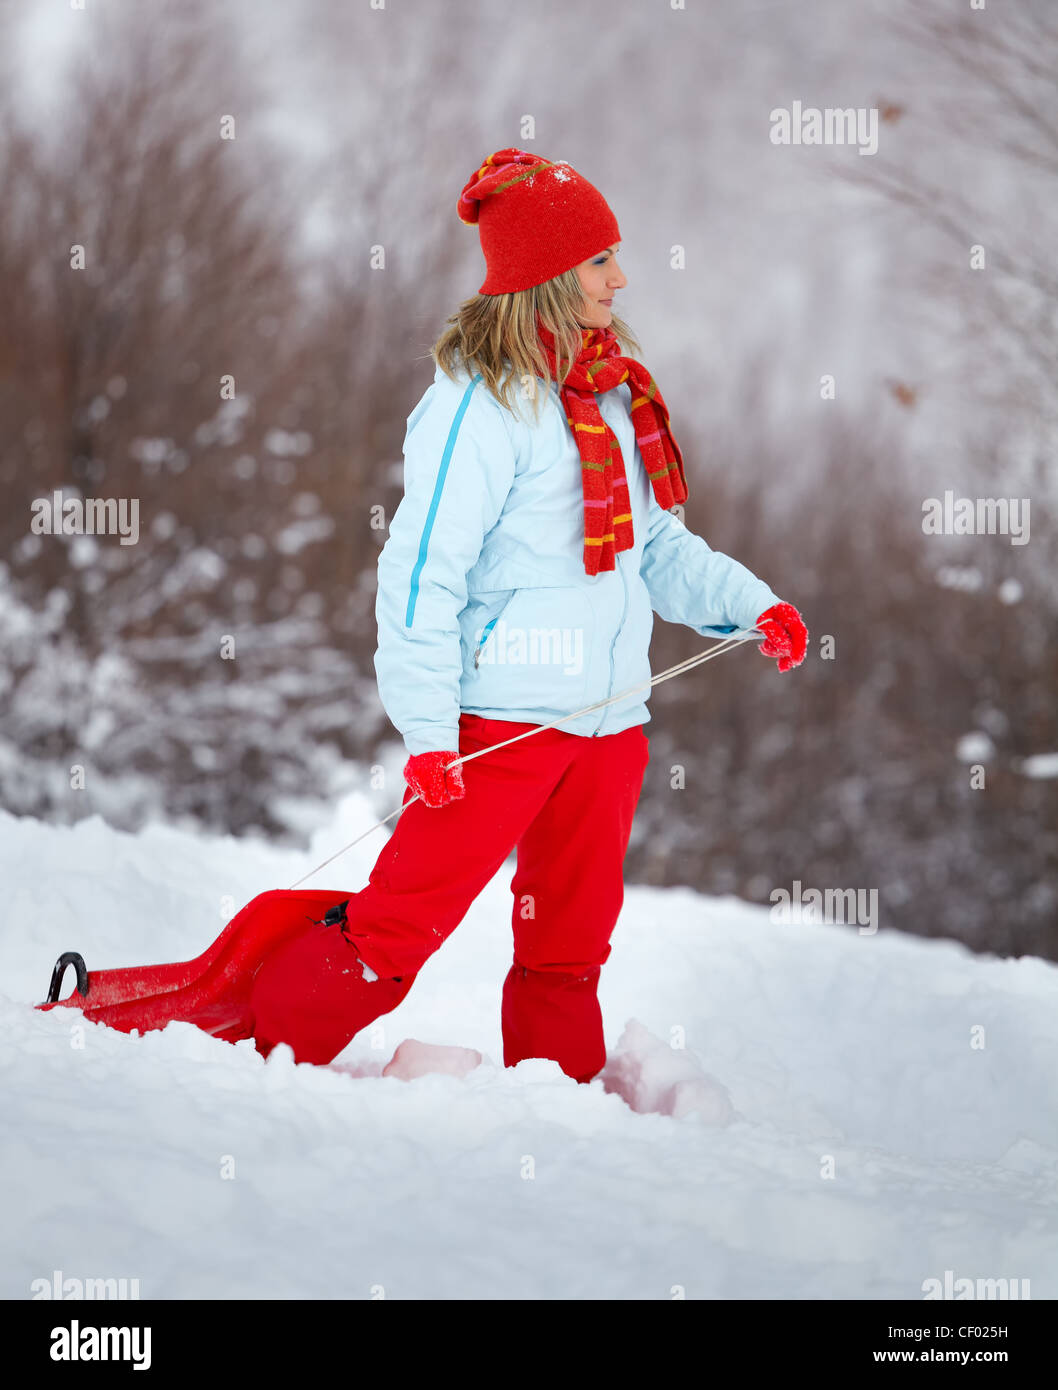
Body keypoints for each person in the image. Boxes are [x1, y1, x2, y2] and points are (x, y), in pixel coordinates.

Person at [40, 148, 807, 1083]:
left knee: (568, 949)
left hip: (609, 726)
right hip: (499, 728)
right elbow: (417, 579)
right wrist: (430, 732)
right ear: (547, 278)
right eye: (601, 259)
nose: (621, 276)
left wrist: (752, 607)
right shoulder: (475, 411)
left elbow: (656, 551)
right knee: (395, 929)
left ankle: (562, 1118)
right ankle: (248, 1057)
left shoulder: (613, 395)